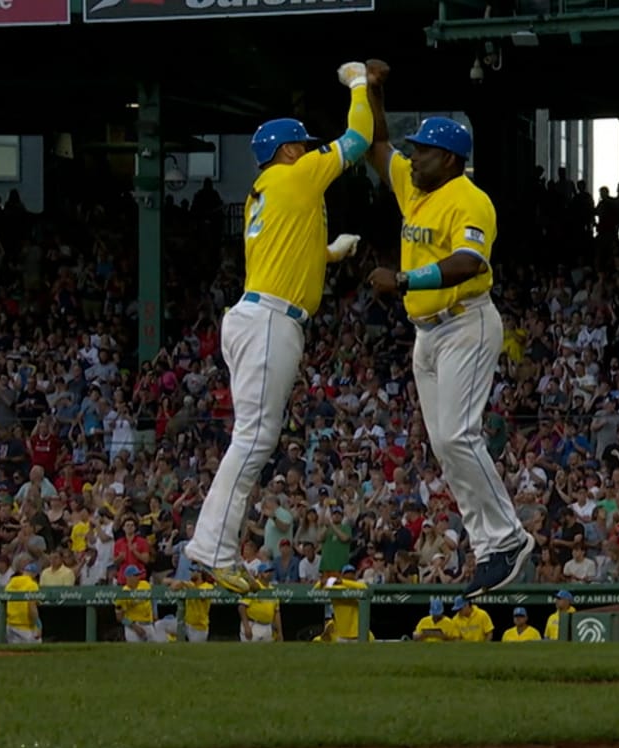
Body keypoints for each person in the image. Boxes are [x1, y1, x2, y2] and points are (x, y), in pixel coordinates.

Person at [183, 61, 373, 594]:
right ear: (288, 150)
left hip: (256, 314)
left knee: (253, 437)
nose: (310, 149)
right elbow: (359, 138)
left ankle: (213, 546)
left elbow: (288, 254)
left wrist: (327, 254)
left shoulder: (265, 191)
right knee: (255, 438)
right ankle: (212, 548)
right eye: (303, 144)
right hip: (270, 320)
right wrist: (358, 84)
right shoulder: (295, 174)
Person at [361, 58, 535, 600]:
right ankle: (488, 548)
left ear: (451, 159)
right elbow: (377, 146)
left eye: (424, 152)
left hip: (466, 322)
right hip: (427, 333)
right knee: (444, 443)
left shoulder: (470, 199)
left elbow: (470, 263)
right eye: (415, 151)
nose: (413, 159)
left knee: (460, 435)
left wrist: (406, 278)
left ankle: (509, 539)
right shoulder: (416, 187)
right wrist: (374, 92)